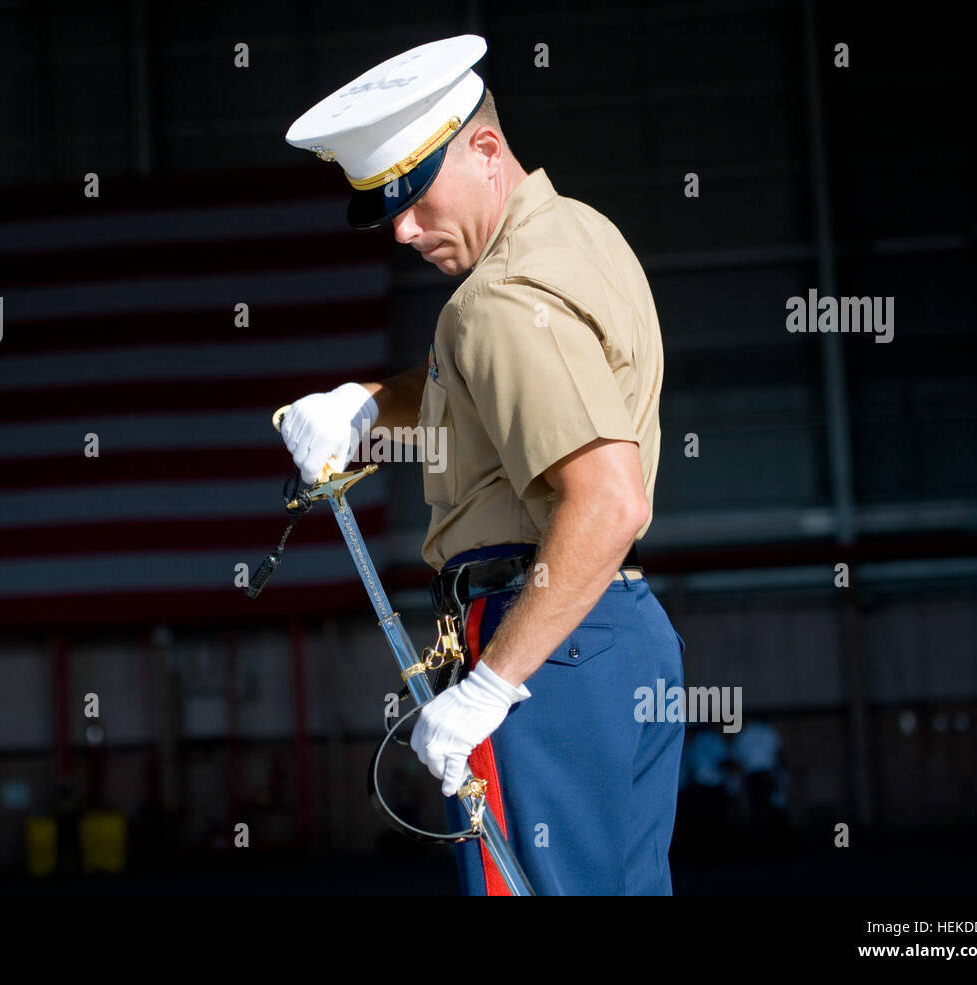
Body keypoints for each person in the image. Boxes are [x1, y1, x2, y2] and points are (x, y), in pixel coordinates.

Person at [281, 35, 684, 895]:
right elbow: (486, 405)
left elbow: (610, 503)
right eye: (387, 208)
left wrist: (491, 683)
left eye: (416, 195)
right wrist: (365, 405)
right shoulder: (581, 235)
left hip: (541, 644)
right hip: (615, 634)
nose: (402, 228)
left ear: (487, 149)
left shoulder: (494, 302)